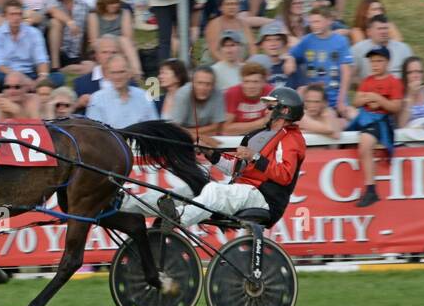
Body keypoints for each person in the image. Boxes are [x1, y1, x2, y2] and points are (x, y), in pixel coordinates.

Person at [125, 88, 307, 227]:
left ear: (283, 111)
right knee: (185, 191)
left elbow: (285, 175)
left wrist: (255, 157)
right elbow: (237, 168)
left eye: (270, 107)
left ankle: (177, 218)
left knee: (213, 190)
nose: (265, 110)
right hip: (244, 191)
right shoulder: (260, 135)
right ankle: (126, 205)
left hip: (265, 199)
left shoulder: (292, 139)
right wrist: (211, 154)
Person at [347, 45, 404, 207]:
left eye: (379, 61)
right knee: (347, 142)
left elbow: (395, 107)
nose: (375, 65)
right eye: (372, 62)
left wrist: (376, 99)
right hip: (364, 118)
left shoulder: (394, 82)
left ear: (387, 62)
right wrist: (369, 99)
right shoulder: (367, 81)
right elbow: (356, 101)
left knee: (365, 146)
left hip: (381, 121)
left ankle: (371, 189)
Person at [85, 54, 155, 126]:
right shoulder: (97, 99)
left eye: (121, 72)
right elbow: (95, 132)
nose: (117, 77)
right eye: (113, 72)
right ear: (108, 74)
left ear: (130, 73)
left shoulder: (144, 96)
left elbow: (154, 128)